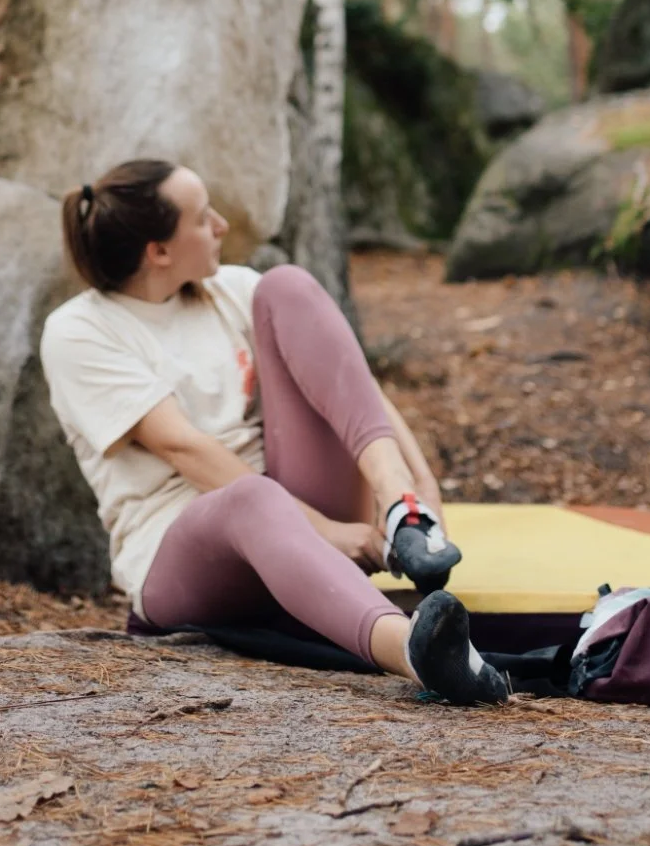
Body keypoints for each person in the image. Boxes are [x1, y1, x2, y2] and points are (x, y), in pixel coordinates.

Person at [39, 157, 508, 706]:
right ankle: (412, 650)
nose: (221, 226)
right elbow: (183, 448)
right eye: (201, 217)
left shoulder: (233, 290)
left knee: (289, 285)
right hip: (183, 557)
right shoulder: (80, 331)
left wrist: (418, 488)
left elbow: (351, 385)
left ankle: (404, 511)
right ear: (159, 251)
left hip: (301, 516)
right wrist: (329, 535)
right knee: (251, 498)